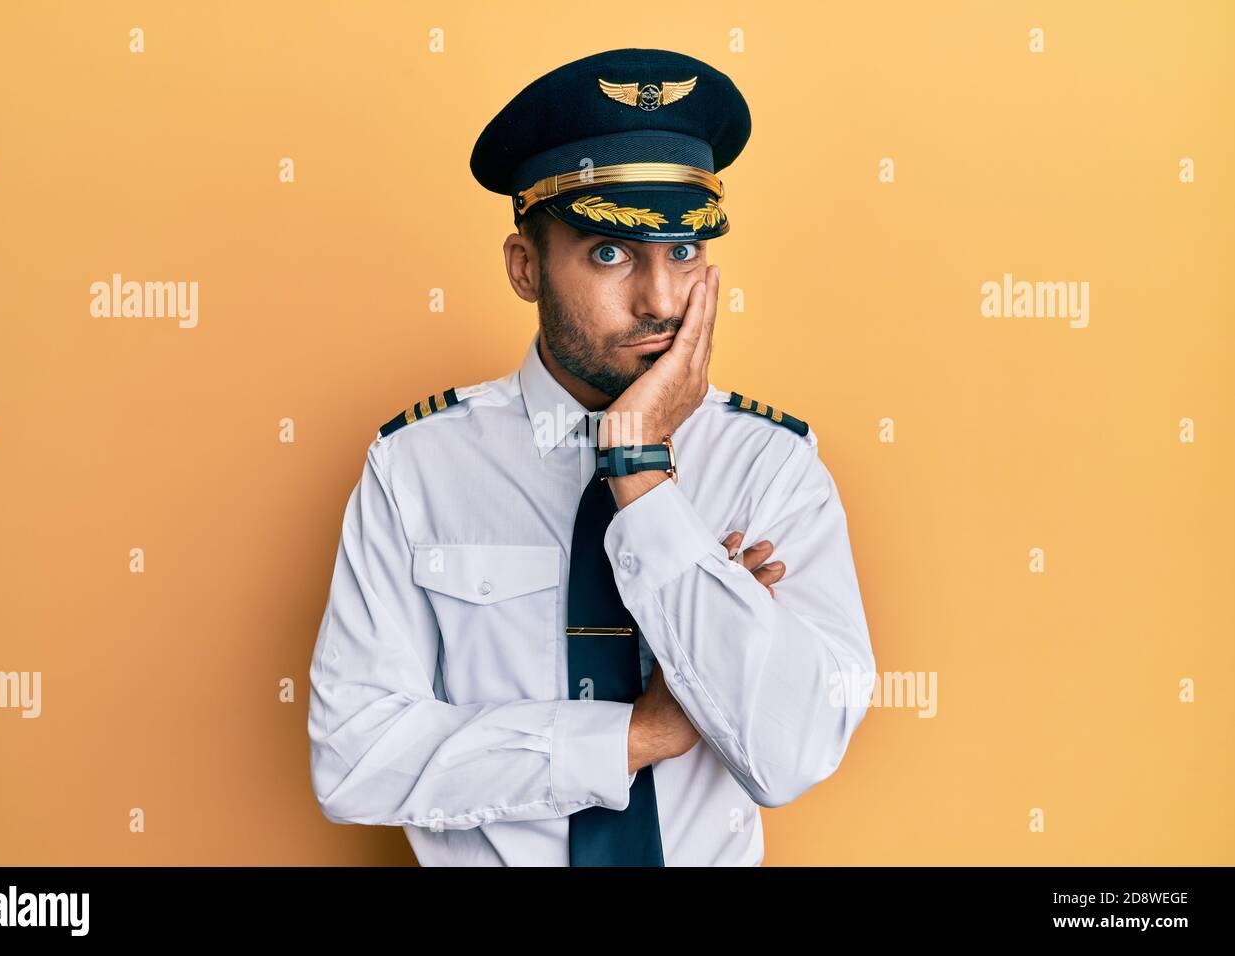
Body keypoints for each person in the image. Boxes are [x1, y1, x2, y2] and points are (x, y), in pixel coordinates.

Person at [306, 47, 875, 866]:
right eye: (611, 253)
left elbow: (794, 752)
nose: (660, 301)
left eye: (683, 252)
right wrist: (631, 737)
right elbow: (353, 759)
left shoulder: (771, 466)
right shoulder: (415, 467)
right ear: (525, 266)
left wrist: (643, 477)